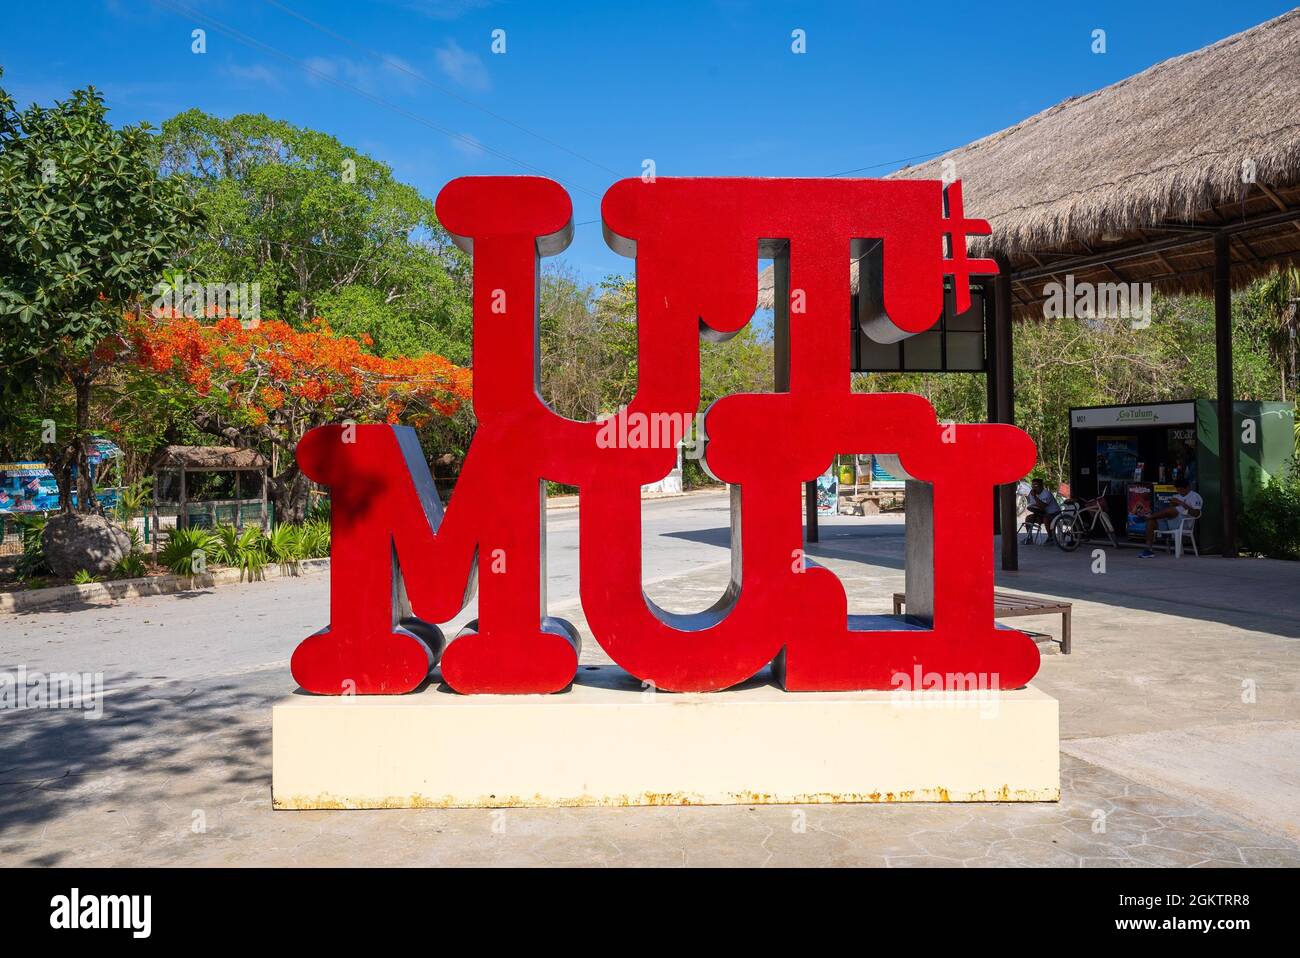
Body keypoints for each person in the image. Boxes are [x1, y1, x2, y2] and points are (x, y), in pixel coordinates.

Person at [1138, 478, 1201, 558]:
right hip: (1170, 522)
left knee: (1171, 510)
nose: (1180, 492)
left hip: (1183, 523)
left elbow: (1196, 513)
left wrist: (1181, 503)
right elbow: (1169, 511)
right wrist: (1173, 504)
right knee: (1151, 522)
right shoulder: (1176, 496)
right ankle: (1148, 550)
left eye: (1181, 490)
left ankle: (1149, 516)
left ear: (1188, 487)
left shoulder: (1195, 496)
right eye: (1178, 490)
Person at [1024, 478, 1060, 543]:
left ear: (1041, 486)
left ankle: (1050, 537)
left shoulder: (1046, 493)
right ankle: (1029, 537)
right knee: (1028, 518)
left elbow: (1042, 506)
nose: (1034, 488)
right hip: (1042, 513)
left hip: (1054, 513)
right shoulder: (1032, 493)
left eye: (1036, 486)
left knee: (1046, 518)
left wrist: (1035, 497)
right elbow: (1032, 504)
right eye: (1032, 486)